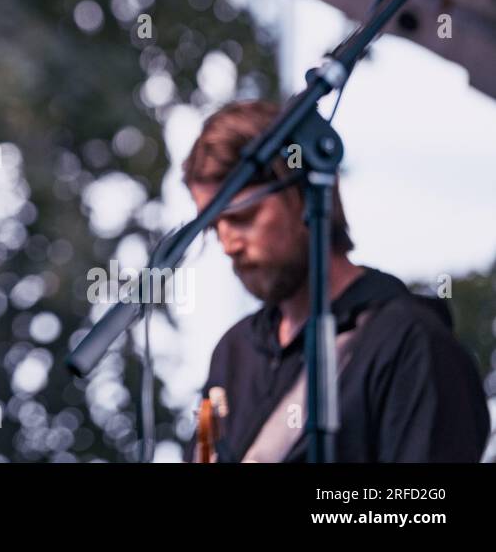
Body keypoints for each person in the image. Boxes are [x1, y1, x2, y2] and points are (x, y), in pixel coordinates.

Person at [184, 100, 490, 462]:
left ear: (307, 196)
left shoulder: (410, 344)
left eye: (243, 216)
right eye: (212, 227)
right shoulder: (234, 352)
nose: (227, 243)